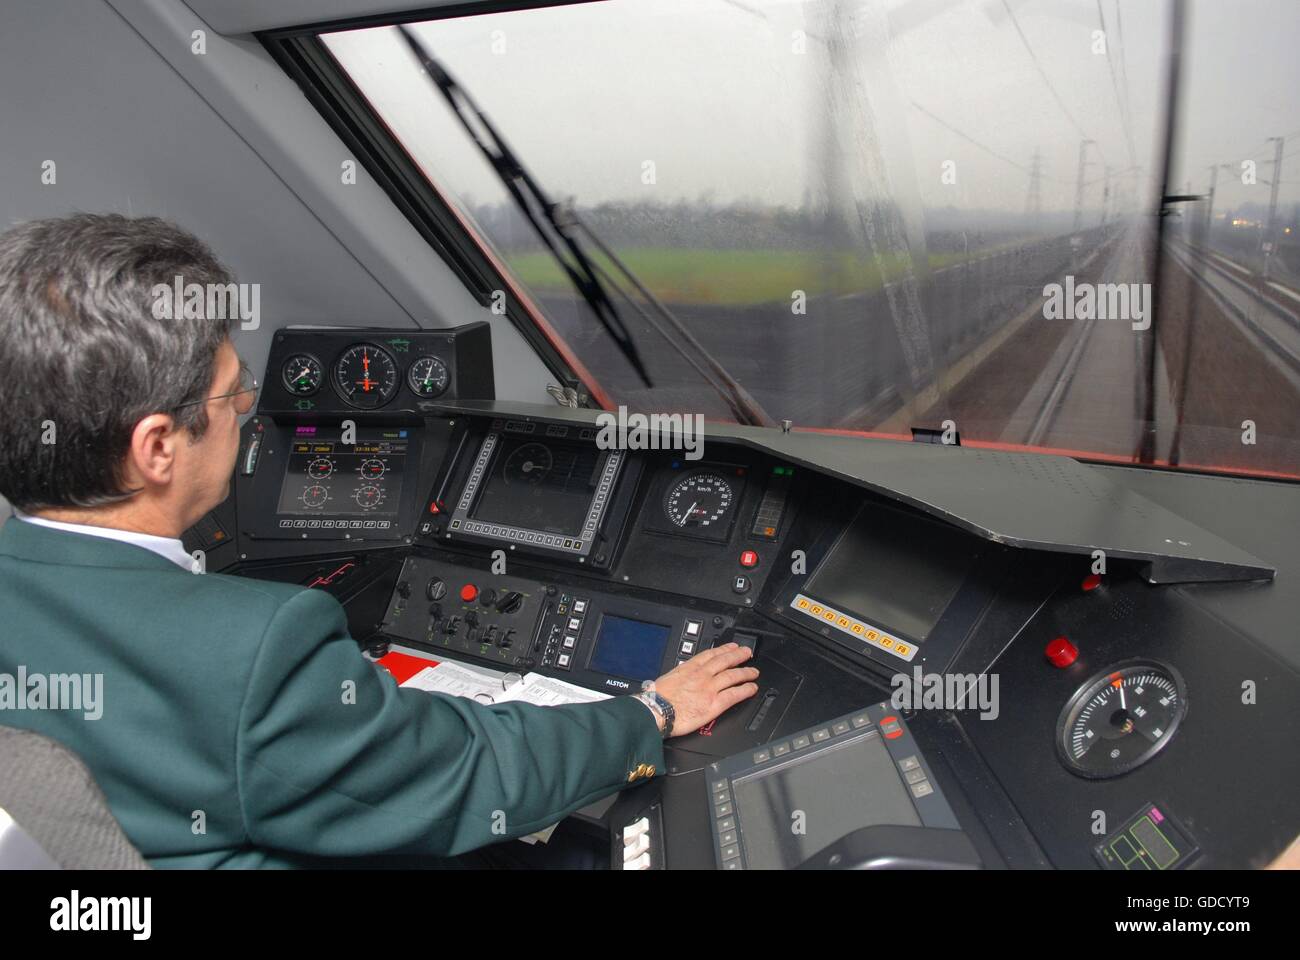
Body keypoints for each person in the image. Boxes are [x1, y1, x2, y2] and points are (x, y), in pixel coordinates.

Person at [0, 213, 759, 868]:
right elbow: (462, 771)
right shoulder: (249, 649)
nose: (246, 414)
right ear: (157, 447)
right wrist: (649, 715)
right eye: (235, 394)